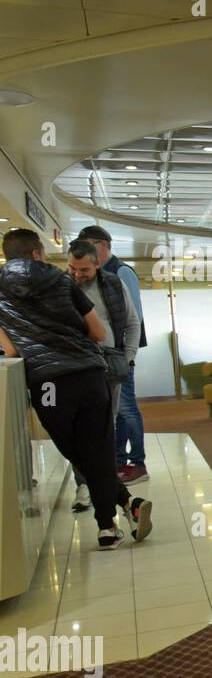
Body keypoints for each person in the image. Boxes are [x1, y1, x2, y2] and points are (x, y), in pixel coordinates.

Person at [0, 228, 151, 549]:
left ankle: (116, 517)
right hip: (91, 374)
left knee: (79, 452)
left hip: (49, 384)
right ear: (38, 253)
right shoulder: (61, 281)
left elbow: (10, 351)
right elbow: (97, 332)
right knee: (97, 447)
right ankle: (114, 519)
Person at [66, 238, 140, 513]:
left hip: (110, 365)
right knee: (77, 431)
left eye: (83, 270)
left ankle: (104, 486)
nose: (77, 274)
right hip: (74, 366)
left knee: (105, 429)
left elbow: (132, 323)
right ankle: (84, 485)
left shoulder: (113, 284)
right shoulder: (61, 287)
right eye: (72, 268)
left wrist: (128, 358)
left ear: (97, 264)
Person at [77, 226, 148, 485]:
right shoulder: (88, 276)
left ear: (103, 245)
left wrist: (126, 357)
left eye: (89, 245)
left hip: (118, 356)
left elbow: (133, 318)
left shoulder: (120, 272)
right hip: (99, 358)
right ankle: (118, 461)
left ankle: (137, 463)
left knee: (127, 409)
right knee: (114, 413)